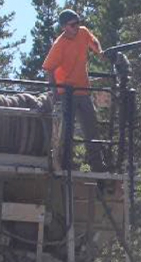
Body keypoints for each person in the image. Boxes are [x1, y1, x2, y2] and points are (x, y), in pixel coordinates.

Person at [42, 9, 106, 172]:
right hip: (67, 93)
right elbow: (48, 68)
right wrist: (56, 92)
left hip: (83, 90)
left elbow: (94, 41)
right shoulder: (59, 45)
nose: (77, 26)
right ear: (64, 27)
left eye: (78, 22)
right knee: (66, 131)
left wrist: (99, 51)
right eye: (72, 24)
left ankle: (98, 166)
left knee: (91, 129)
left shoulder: (83, 33)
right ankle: (65, 164)